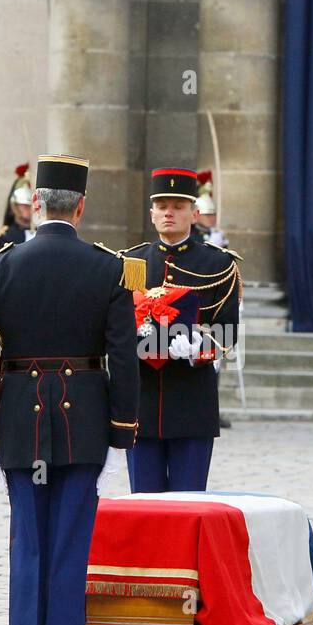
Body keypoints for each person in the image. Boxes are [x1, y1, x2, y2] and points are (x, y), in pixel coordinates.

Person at [0, 152, 140, 625]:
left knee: (28, 552)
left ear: (36, 204)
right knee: (68, 553)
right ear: (81, 207)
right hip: (82, 422)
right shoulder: (109, 268)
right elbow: (124, 359)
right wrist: (121, 431)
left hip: (18, 419)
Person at [119, 168, 241, 493]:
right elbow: (116, 326)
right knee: (145, 508)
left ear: (194, 213)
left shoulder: (218, 264)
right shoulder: (131, 263)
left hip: (192, 401)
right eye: (162, 206)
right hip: (142, 402)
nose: (168, 213)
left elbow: (227, 331)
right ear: (152, 213)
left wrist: (199, 346)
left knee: (188, 504)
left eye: (178, 206)